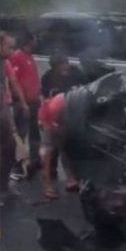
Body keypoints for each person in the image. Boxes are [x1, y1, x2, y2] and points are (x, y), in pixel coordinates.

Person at [40, 52, 85, 183]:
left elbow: (84, 90)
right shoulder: (48, 77)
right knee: (51, 146)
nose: (65, 68)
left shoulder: (76, 73)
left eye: (66, 65)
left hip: (72, 114)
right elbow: (44, 97)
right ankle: (50, 173)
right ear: (54, 67)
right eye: (61, 66)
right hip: (54, 114)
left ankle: (73, 176)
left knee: (68, 147)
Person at [0, 32, 27, 193]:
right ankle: (1, 186)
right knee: (7, 147)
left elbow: (13, 82)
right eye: (9, 47)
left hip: (6, 109)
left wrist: (22, 103)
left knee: (10, 147)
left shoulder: (5, 63)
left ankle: (4, 183)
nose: (12, 51)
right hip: (0, 111)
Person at [9, 35, 41, 175]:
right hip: (22, 103)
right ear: (29, 42)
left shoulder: (30, 57)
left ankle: (35, 160)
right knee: (21, 134)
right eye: (35, 40)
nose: (37, 43)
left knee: (35, 134)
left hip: (34, 102)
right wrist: (22, 102)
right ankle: (17, 165)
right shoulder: (18, 57)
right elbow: (14, 81)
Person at [38, 92, 77, 199]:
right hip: (48, 120)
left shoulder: (74, 103)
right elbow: (48, 123)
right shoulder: (53, 111)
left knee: (65, 148)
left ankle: (71, 179)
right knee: (47, 154)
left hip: (60, 118)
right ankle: (47, 186)